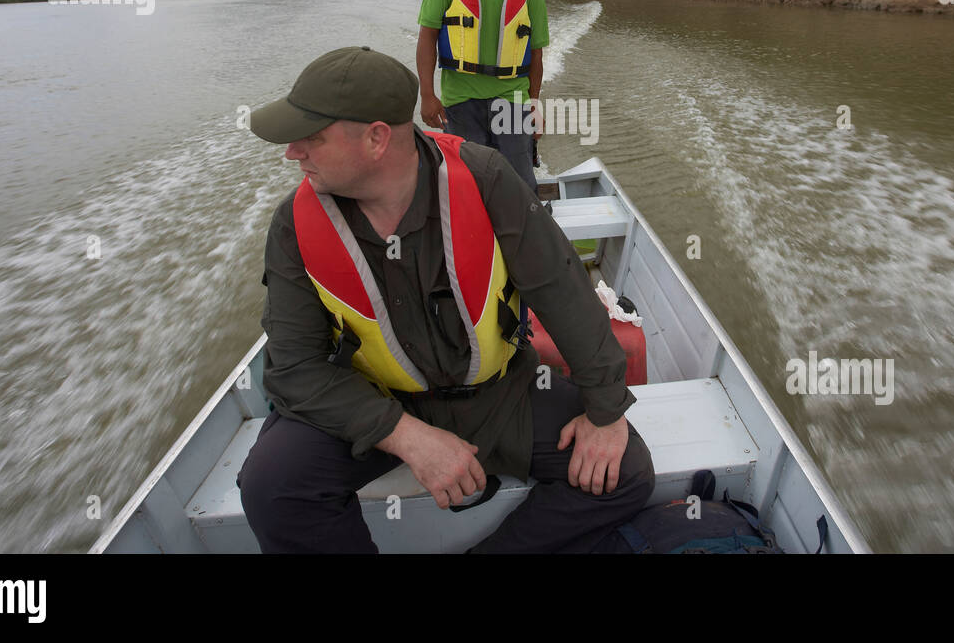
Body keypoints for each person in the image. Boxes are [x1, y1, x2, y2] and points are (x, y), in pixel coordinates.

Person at [237, 46, 654, 553]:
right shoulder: (293, 225)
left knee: (624, 471)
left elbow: (565, 296)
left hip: (499, 398)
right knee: (272, 487)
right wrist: (404, 435)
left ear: (376, 138)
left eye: (311, 139)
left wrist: (606, 412)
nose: (292, 152)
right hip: (374, 403)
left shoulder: (485, 179)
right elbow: (294, 370)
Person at [416, 0, 546, 194]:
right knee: (467, 184)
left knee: (520, 184)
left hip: (512, 100)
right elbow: (427, 38)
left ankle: (525, 235)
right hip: (460, 101)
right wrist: (427, 94)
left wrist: (535, 106)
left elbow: (536, 56)